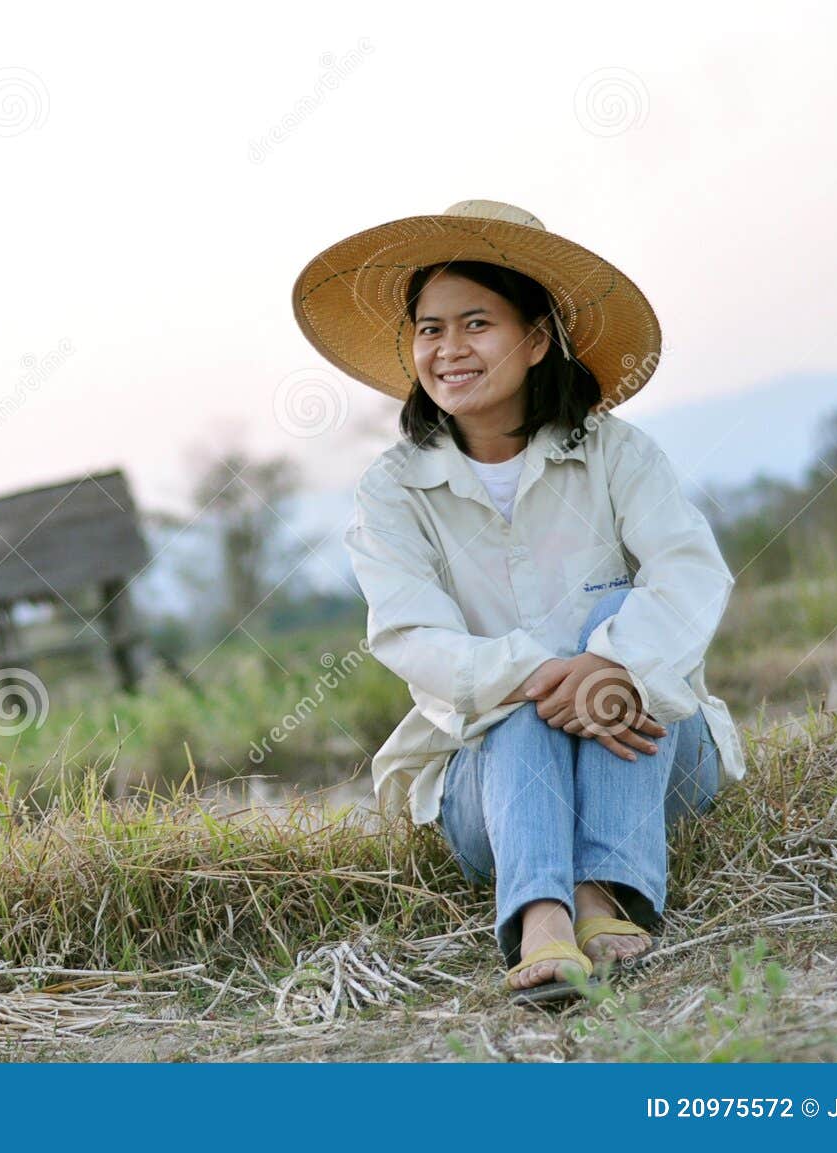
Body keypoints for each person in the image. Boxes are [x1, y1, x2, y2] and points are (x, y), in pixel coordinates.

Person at [291, 200, 748, 1007]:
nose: (449, 349)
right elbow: (410, 634)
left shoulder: (616, 453)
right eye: (430, 329)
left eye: (477, 323)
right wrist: (545, 670)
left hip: (652, 758)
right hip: (492, 804)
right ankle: (541, 911)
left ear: (537, 340)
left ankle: (603, 896)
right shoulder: (393, 490)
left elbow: (689, 572)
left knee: (623, 664)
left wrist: (613, 664)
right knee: (513, 690)